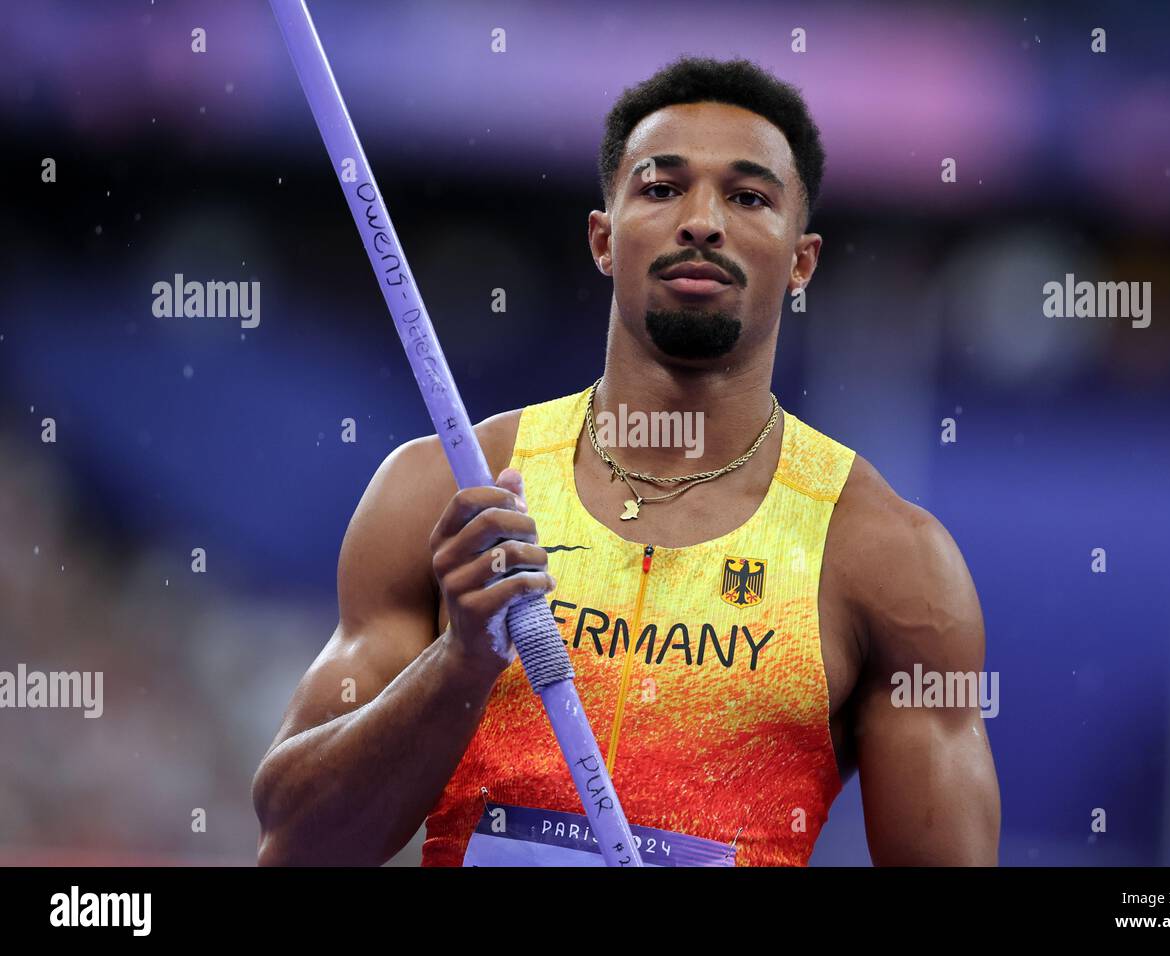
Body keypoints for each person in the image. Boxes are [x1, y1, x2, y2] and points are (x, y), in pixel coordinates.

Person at [252, 55, 1000, 866]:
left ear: (802, 260)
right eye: (661, 187)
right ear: (604, 240)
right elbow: (298, 843)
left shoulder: (889, 559)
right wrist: (462, 657)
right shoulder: (445, 489)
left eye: (748, 197)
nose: (702, 222)